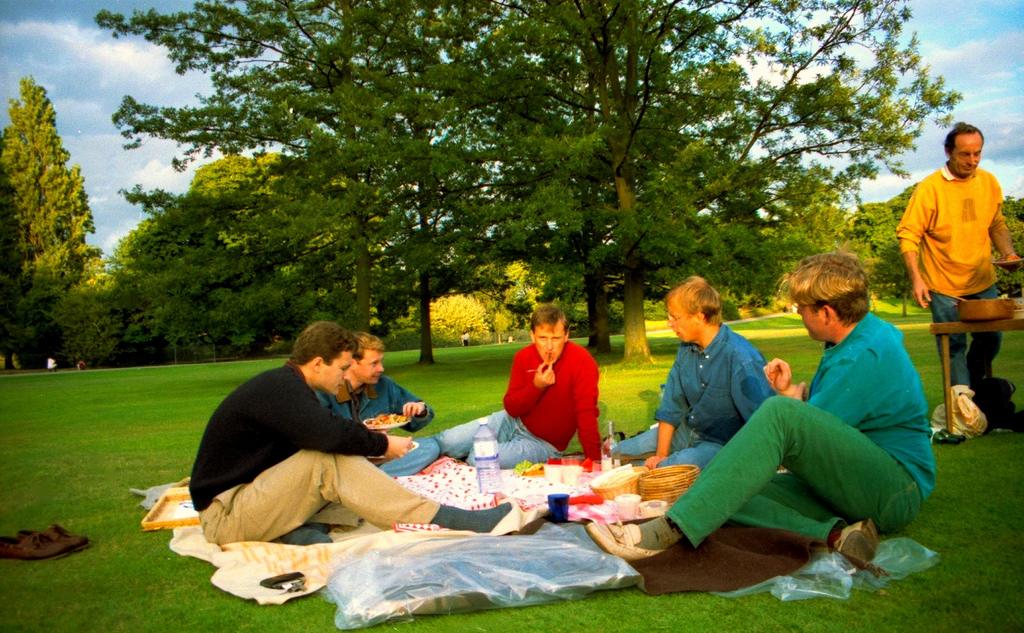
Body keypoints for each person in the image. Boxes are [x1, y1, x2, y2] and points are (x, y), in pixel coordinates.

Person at [587, 252, 935, 564]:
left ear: (826, 312)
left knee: (775, 416)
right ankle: (836, 537)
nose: (800, 315)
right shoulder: (856, 339)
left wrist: (785, 404)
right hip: (852, 480)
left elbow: (803, 434)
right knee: (721, 487)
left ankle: (667, 531)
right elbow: (826, 428)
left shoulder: (864, 355)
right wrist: (789, 392)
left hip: (894, 491)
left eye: (802, 309)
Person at [189, 321, 513, 546]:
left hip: (256, 497)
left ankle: (297, 529)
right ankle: (444, 518)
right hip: (226, 515)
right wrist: (382, 444)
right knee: (327, 462)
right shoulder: (283, 389)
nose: (346, 376)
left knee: (360, 488)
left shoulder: (288, 386)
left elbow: (325, 437)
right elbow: (329, 435)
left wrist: (372, 450)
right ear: (318, 363)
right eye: (343, 368)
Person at [382, 304, 601, 477]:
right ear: (533, 335)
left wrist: (596, 462)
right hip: (511, 421)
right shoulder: (523, 357)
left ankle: (459, 461)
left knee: (478, 457)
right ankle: (380, 474)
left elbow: (586, 415)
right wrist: (537, 386)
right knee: (446, 441)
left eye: (556, 339)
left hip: (543, 444)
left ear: (567, 336)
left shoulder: (582, 362)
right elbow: (512, 408)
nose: (549, 346)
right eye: (543, 338)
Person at [896, 122, 1021, 388]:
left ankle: (972, 388)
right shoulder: (930, 188)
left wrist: (1008, 253)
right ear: (948, 151)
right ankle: (961, 401)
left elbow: (996, 224)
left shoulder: (989, 182)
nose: (972, 160)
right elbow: (908, 235)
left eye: (977, 153)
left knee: (992, 338)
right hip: (943, 286)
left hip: (982, 281)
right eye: (965, 154)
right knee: (953, 345)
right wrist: (917, 280)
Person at [618, 277, 775, 470]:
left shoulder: (741, 358)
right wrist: (661, 455)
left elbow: (764, 422)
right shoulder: (686, 348)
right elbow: (671, 405)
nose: (669, 323)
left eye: (674, 317)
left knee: (662, 469)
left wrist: (660, 465)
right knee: (613, 455)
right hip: (686, 431)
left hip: (720, 445)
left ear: (699, 317)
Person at [318, 332, 434, 433]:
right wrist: (362, 435)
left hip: (380, 450)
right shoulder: (325, 391)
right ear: (352, 363)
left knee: (435, 443)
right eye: (374, 363)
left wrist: (420, 410)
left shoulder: (384, 385)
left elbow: (415, 423)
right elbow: (319, 435)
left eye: (381, 362)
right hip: (344, 452)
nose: (381, 369)